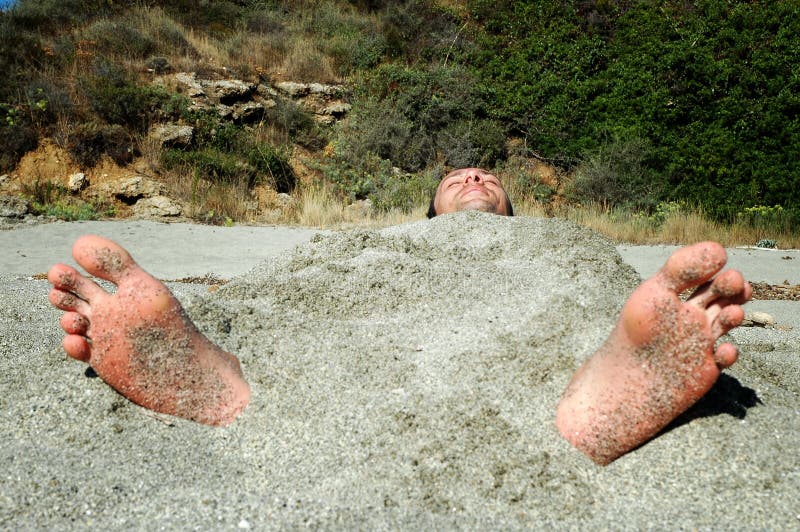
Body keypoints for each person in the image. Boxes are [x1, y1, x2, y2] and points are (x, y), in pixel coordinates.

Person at [47, 167, 751, 465]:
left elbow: (614, 288)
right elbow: (280, 293)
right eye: (457, 178)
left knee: (617, 308)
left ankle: (606, 385)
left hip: (547, 299)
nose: (475, 180)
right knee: (296, 313)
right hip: (367, 315)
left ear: (511, 206)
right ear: (430, 207)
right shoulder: (370, 244)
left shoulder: (567, 242)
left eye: (489, 177)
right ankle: (217, 381)